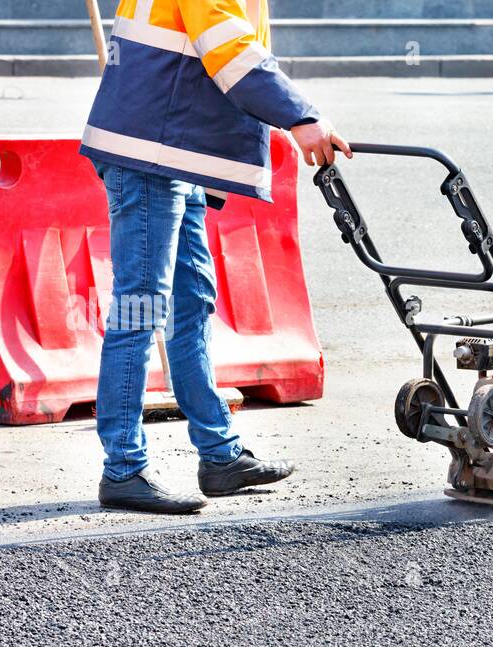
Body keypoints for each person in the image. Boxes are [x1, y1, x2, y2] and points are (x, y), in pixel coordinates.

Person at [79, 0, 350, 514]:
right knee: (139, 311)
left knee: (193, 301)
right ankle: (123, 470)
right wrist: (301, 116)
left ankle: (220, 455)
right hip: (149, 152)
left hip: (173, 149)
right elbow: (232, 54)